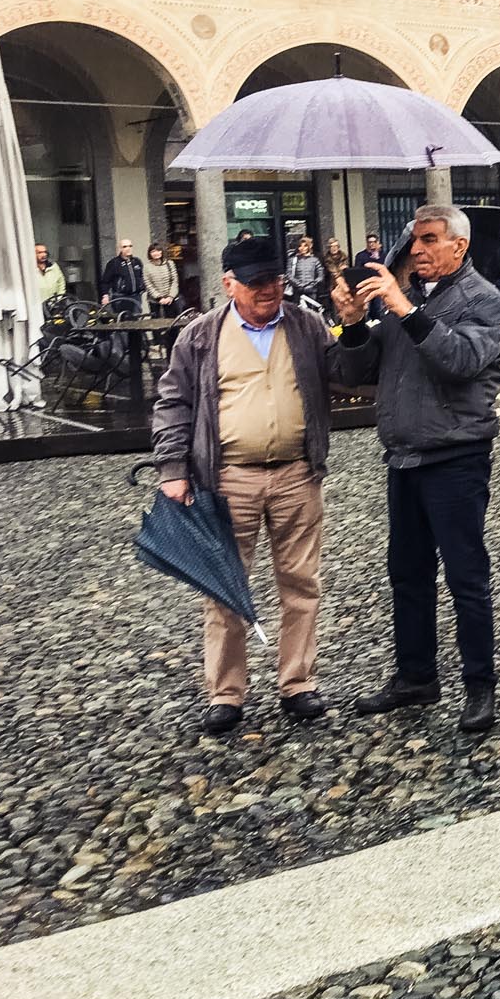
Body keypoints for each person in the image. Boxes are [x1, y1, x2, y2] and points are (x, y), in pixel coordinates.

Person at [330, 204, 500, 733]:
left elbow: (459, 361)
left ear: (459, 245)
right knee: (407, 573)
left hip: (455, 456)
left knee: (465, 575)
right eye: (414, 241)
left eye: (430, 240)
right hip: (404, 456)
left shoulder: (482, 299)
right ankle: (416, 675)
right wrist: (353, 324)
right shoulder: (404, 302)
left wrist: (405, 309)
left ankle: (479, 685)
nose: (418, 250)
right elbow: (355, 371)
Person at [151, 237, 337, 735]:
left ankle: (298, 683)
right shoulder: (200, 337)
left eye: (275, 280)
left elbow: (348, 371)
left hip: (297, 472)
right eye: (256, 283)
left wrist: (358, 322)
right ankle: (226, 693)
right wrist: (172, 470)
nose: (269, 290)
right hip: (229, 477)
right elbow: (173, 403)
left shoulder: (307, 325)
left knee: (301, 583)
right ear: (228, 283)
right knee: (225, 589)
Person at [99, 238, 145, 306]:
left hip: (136, 297)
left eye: (130, 246)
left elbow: (141, 276)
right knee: (122, 316)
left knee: (136, 316)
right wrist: (105, 295)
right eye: (125, 246)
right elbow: (106, 281)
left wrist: (142, 288)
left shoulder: (136, 261)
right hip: (120, 297)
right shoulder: (114, 263)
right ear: (120, 249)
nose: (128, 248)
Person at [286, 236, 327, 304]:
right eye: (300, 246)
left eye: (305, 246)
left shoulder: (315, 260)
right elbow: (289, 274)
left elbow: (321, 275)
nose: (302, 248)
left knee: (311, 311)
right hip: (297, 290)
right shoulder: (292, 260)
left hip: (311, 290)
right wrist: (298, 284)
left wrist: (313, 283)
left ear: (309, 247)